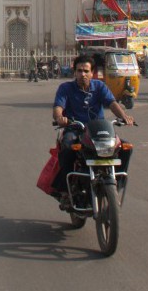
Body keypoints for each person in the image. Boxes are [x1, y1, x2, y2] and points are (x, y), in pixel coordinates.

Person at [51, 54, 135, 202]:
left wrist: (124, 116)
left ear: (92, 73)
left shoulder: (99, 86)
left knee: (125, 147)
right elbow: (58, 107)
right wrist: (60, 118)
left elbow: (112, 103)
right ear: (74, 72)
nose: (82, 74)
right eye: (79, 71)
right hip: (75, 129)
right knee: (68, 147)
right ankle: (65, 189)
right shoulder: (66, 88)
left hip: (99, 131)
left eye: (86, 71)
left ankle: (117, 183)